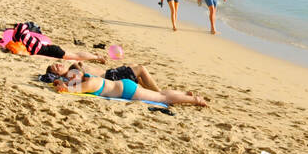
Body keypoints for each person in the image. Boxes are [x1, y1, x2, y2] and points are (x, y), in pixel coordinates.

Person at [59, 63, 207, 107]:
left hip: (127, 91)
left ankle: (195, 100)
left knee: (162, 98)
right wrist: (61, 82)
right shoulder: (90, 79)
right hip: (125, 87)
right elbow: (70, 87)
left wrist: (63, 85)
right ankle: (183, 95)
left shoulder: (91, 82)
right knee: (160, 94)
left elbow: (67, 89)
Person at [45, 54, 162, 91]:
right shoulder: (73, 70)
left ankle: (152, 91)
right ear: (58, 74)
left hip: (111, 73)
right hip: (111, 77)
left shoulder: (72, 68)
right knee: (140, 69)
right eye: (56, 68)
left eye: (57, 64)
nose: (58, 65)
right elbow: (79, 78)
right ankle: (158, 92)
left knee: (135, 70)